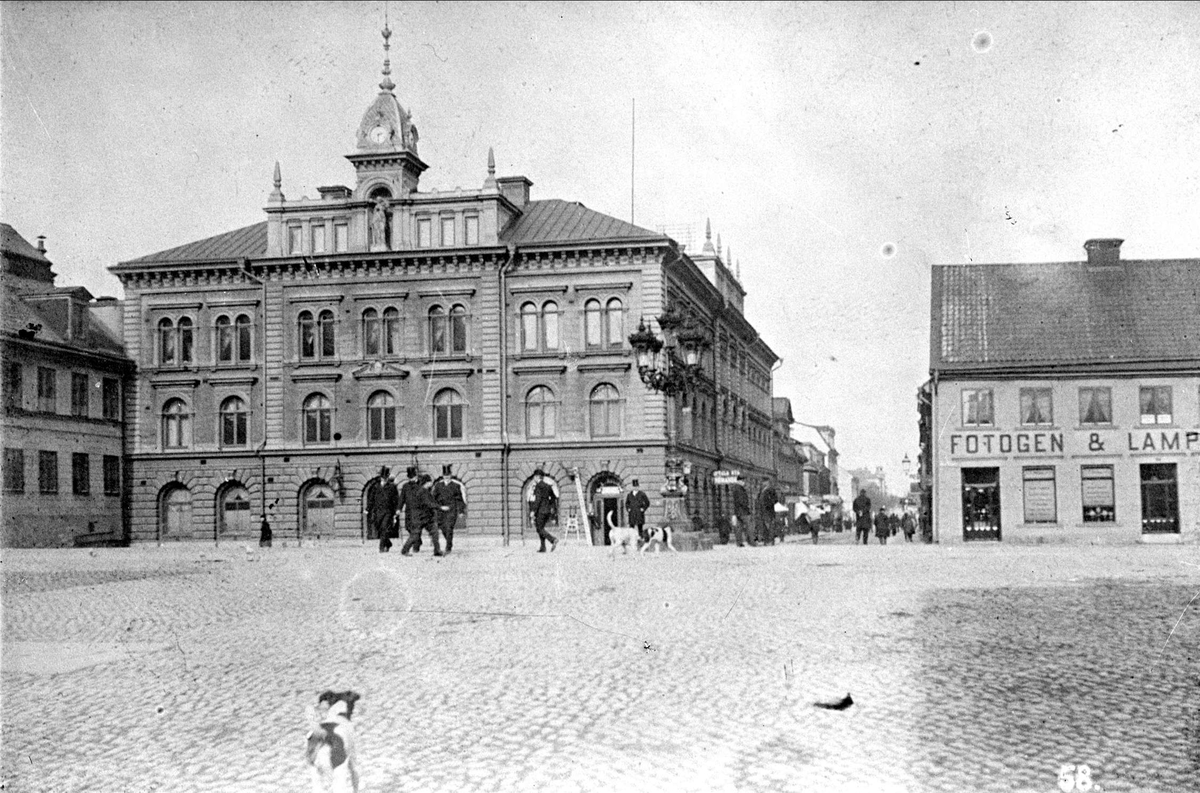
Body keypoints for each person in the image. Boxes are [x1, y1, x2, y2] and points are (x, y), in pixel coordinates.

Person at [432, 464, 466, 555]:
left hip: (451, 510)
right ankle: (449, 542)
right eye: (445, 476)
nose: (446, 477)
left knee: (449, 528)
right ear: (443, 476)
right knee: (443, 528)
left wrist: (461, 511)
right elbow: (433, 498)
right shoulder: (438, 486)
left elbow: (460, 499)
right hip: (441, 511)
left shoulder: (455, 486)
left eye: (448, 475)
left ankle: (448, 547)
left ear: (450, 475)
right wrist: (435, 507)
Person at [365, 466, 400, 553]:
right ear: (381, 477)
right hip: (378, 511)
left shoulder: (392, 487)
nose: (385, 479)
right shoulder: (375, 487)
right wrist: (367, 509)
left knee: (384, 528)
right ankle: (388, 543)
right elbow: (371, 499)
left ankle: (381, 548)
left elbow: (395, 500)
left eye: (386, 477)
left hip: (388, 512)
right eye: (383, 478)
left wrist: (396, 511)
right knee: (379, 529)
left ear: (388, 477)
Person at [529, 469, 558, 553]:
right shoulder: (548, 486)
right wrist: (552, 508)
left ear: (537, 477)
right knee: (541, 528)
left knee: (539, 528)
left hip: (540, 511)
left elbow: (538, 500)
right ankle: (543, 547)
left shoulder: (538, 486)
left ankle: (553, 539)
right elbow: (553, 498)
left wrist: (533, 511)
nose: (534, 479)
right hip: (547, 511)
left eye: (534, 477)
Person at [399, 466, 425, 555]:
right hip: (409, 512)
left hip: (419, 512)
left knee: (415, 531)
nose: (412, 479)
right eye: (410, 477)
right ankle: (418, 542)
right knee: (409, 528)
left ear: (416, 476)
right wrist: (399, 509)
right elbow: (402, 499)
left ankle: (405, 549)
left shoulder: (421, 485)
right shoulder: (405, 486)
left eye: (413, 477)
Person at [418, 474, 443, 556]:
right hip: (426, 517)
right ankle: (405, 550)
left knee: (434, 533)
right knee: (434, 533)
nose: (431, 483)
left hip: (427, 516)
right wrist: (440, 507)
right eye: (430, 482)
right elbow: (429, 503)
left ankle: (437, 550)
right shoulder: (423, 492)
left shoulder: (425, 491)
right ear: (426, 482)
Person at [730, 481, 752, 547]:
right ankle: (751, 542)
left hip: (737, 512)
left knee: (738, 528)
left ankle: (739, 542)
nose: (744, 482)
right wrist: (746, 507)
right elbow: (742, 501)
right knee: (749, 526)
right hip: (743, 511)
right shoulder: (740, 489)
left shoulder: (735, 488)